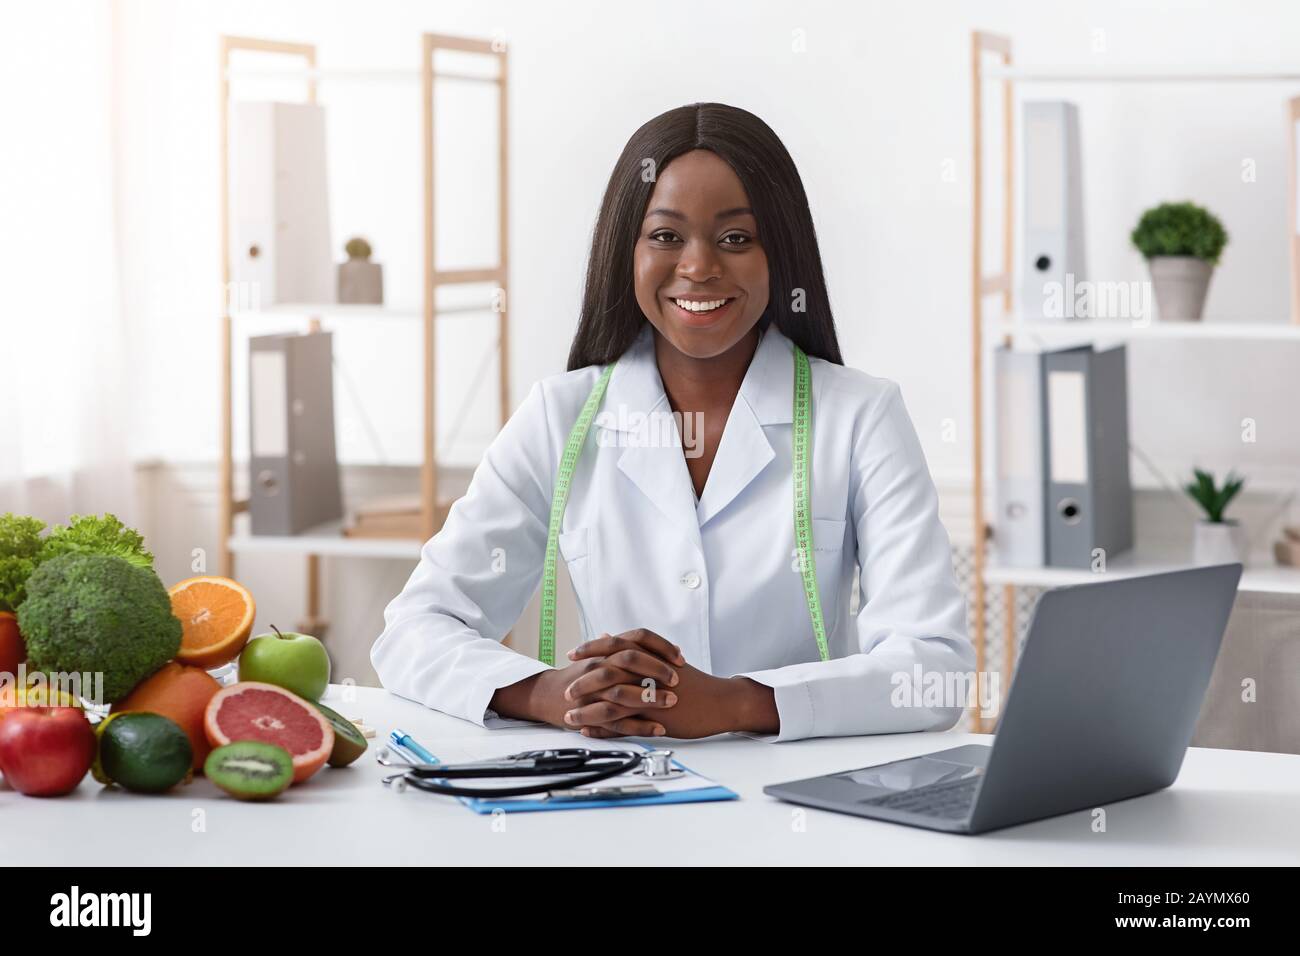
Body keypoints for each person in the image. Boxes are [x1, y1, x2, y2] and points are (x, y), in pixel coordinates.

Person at [372, 102, 973, 741]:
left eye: (736, 239)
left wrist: (739, 703)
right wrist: (551, 693)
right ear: (625, 251)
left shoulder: (860, 416)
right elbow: (413, 631)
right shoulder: (559, 417)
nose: (699, 266)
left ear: (781, 253)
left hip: (797, 793)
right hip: (618, 786)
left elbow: (933, 670)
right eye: (665, 236)